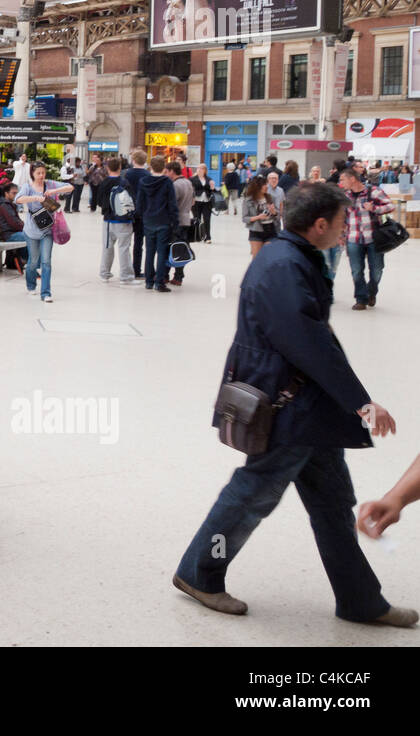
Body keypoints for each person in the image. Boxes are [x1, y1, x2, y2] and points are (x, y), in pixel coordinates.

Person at [173, 183, 416, 628]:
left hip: (306, 405)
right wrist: (361, 403)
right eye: (341, 224)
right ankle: (199, 571)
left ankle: (360, 599)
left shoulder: (292, 256)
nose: (345, 232)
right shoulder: (285, 265)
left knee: (332, 502)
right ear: (319, 224)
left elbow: (313, 337)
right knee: (253, 493)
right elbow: (308, 343)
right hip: (289, 406)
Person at [14, 162, 72, 303]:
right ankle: (31, 285)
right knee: (33, 261)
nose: (41, 176)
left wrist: (53, 192)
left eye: (43, 173)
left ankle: (46, 293)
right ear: (32, 173)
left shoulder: (50, 184)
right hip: (31, 230)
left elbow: (70, 187)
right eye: (38, 173)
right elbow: (18, 199)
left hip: (47, 230)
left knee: (46, 261)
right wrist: (35, 198)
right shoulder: (28, 187)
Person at [339, 166, 394, 311]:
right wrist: (340, 234)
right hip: (353, 238)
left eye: (343, 179)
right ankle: (360, 299)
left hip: (374, 238)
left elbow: (390, 205)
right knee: (356, 271)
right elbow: (342, 217)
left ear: (352, 179)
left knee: (377, 270)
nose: (341, 182)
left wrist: (374, 208)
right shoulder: (345, 196)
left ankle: (371, 292)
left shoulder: (373, 191)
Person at [136, 155, 176, 293]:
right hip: (164, 221)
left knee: (149, 251)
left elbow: (139, 203)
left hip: (148, 221)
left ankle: (148, 281)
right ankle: (159, 282)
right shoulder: (167, 182)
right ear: (164, 168)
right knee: (162, 252)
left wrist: (142, 216)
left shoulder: (143, 182)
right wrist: (174, 223)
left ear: (151, 167)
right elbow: (172, 205)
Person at [96, 156, 135, 285]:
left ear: (107, 168)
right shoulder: (125, 182)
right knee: (124, 248)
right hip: (123, 221)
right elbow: (131, 201)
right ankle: (126, 276)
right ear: (120, 167)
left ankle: (104, 274)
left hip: (108, 220)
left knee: (107, 247)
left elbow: (99, 202)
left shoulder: (104, 183)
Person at [122, 151, 151, 279]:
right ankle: (136, 269)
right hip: (143, 212)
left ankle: (125, 269)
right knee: (139, 243)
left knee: (125, 243)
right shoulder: (148, 175)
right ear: (145, 161)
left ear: (133, 159)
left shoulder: (126, 174)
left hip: (127, 212)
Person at [167, 161, 195, 287]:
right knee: (181, 248)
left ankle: (164, 274)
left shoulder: (175, 185)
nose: (167, 174)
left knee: (169, 247)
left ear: (172, 171)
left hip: (176, 220)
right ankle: (178, 276)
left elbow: (171, 204)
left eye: (168, 171)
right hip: (186, 218)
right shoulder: (189, 183)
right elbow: (193, 201)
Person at [241, 175, 279, 258]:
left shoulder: (271, 198)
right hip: (256, 231)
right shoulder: (248, 200)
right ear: (257, 187)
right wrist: (258, 217)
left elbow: (278, 215)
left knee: (268, 257)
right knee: (256, 259)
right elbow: (244, 218)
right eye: (264, 184)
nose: (267, 186)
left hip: (271, 230)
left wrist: (274, 212)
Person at [190, 164, 216, 244]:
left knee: (207, 219)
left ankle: (208, 237)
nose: (199, 170)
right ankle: (197, 236)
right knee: (197, 219)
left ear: (205, 170)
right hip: (196, 201)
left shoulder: (209, 179)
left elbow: (212, 191)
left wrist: (212, 187)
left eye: (201, 168)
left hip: (207, 202)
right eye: (198, 168)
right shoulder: (192, 179)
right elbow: (190, 190)